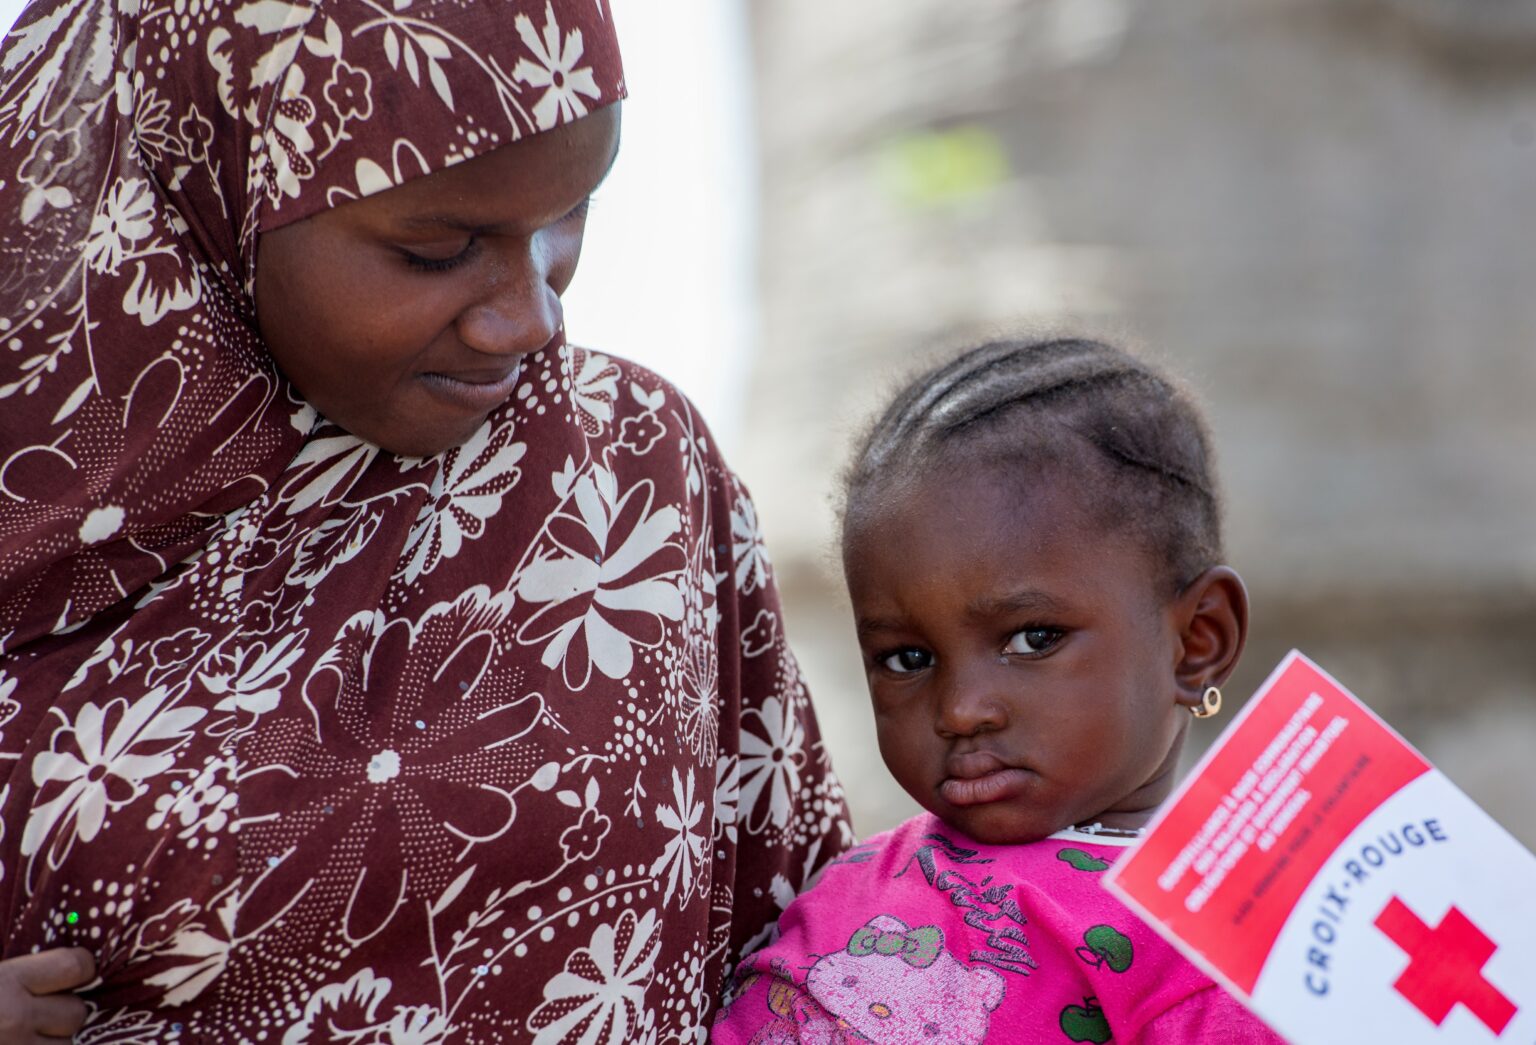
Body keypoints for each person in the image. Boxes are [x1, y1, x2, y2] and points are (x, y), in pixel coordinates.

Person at [0, 0, 849, 1039]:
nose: (532, 317)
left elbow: (815, 955)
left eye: (568, 216)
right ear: (205, 180)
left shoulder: (621, 474)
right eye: (440, 248)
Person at [711, 338, 1285, 1043]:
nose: (960, 709)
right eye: (908, 657)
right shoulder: (853, 883)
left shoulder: (1225, 955)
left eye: (1033, 638)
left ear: (1200, 640)